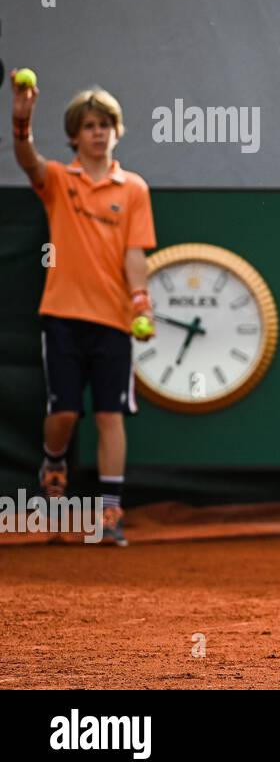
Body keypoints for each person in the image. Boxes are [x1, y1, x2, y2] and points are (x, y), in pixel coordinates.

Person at [10, 75, 157, 548]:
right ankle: (54, 461)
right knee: (66, 413)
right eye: (88, 125)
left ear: (117, 131)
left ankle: (111, 513)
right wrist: (22, 116)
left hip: (114, 321)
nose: (97, 132)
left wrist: (141, 303)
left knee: (110, 416)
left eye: (105, 124)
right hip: (63, 316)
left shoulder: (134, 189)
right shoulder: (58, 179)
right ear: (75, 135)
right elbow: (27, 161)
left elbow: (136, 253)